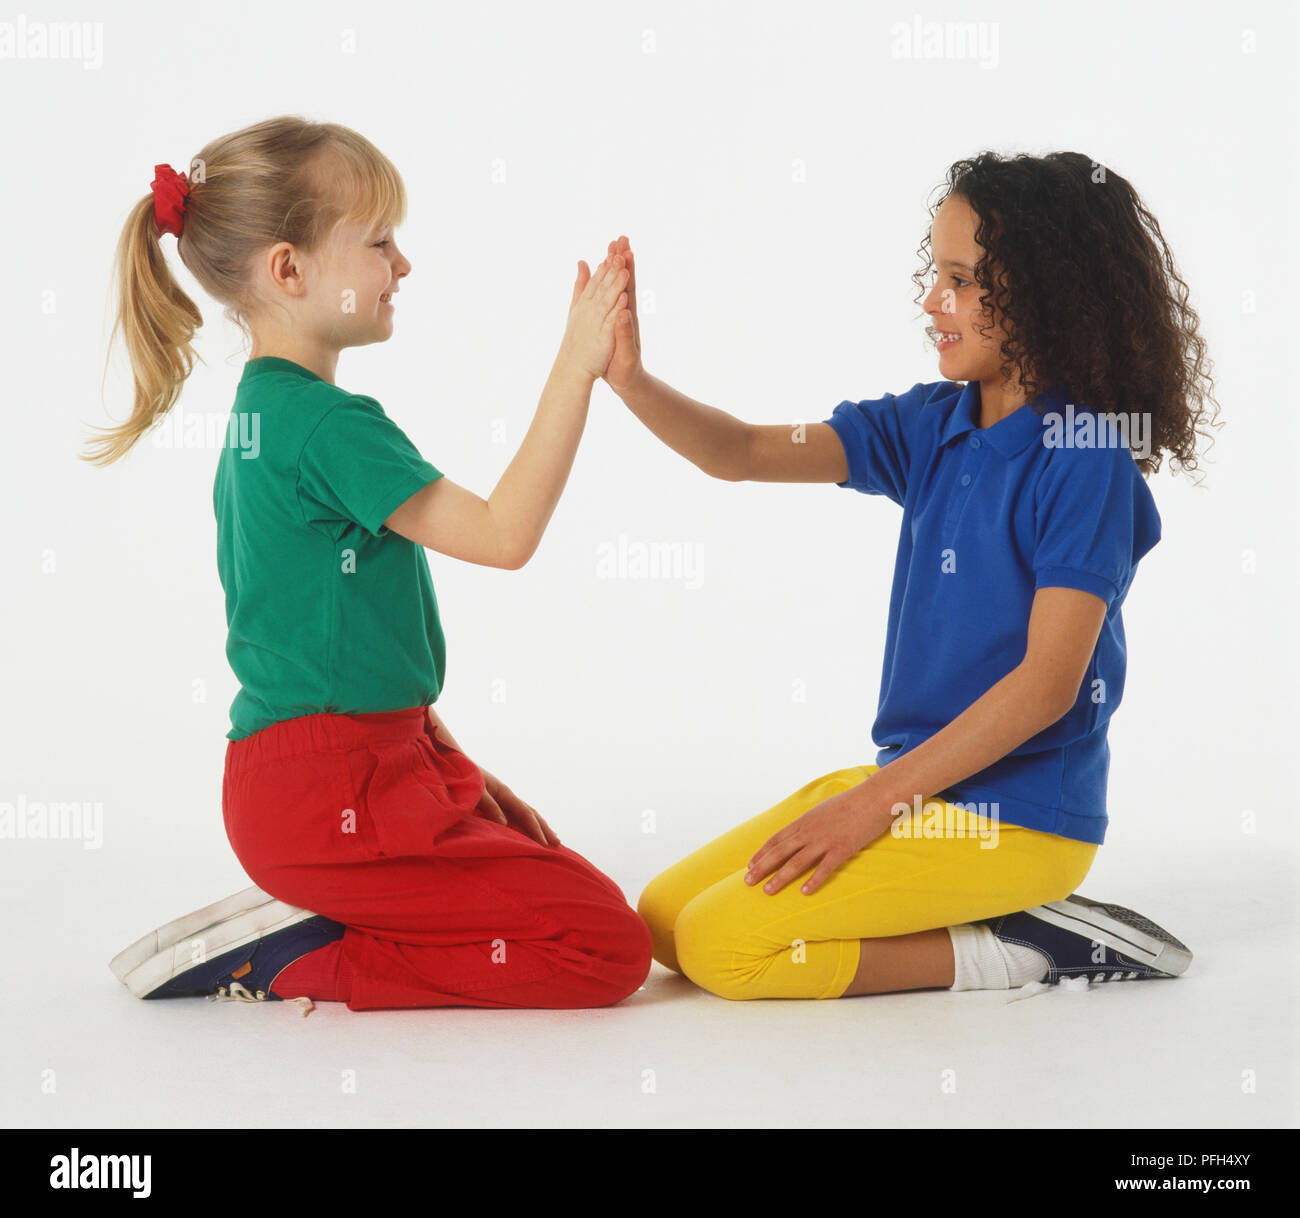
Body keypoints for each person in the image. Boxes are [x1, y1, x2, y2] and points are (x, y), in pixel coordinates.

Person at [608, 151, 1217, 1001]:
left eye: (963, 280)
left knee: (724, 947)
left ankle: (1035, 946)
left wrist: (869, 809)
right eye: (937, 274)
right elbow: (742, 451)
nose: (934, 301)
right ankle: (971, 904)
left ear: (1046, 294)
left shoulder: (1087, 456)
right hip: (913, 788)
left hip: (1018, 820)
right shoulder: (935, 424)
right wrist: (629, 379)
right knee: (666, 918)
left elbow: (1048, 686)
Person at [89, 115, 651, 1011]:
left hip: (339, 774)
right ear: (289, 269)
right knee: (605, 947)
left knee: (566, 883)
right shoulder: (328, 427)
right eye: (381, 242)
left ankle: (321, 915)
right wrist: (577, 363)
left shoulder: (259, 412)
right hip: (328, 793)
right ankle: (288, 958)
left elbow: (323, 635)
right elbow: (506, 537)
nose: (404, 266)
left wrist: (440, 758)